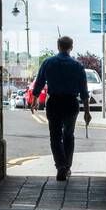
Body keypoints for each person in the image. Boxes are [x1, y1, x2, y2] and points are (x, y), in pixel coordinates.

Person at [30, 36, 91, 181]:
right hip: (71, 103)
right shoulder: (77, 66)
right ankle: (66, 167)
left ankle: (61, 166)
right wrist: (87, 111)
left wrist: (35, 99)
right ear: (72, 47)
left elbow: (39, 82)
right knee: (69, 135)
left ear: (58, 46)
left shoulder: (48, 62)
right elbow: (84, 91)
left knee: (55, 136)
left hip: (55, 103)